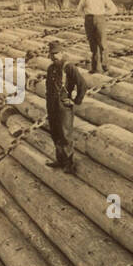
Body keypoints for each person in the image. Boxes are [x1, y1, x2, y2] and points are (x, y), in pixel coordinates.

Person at [44, 40, 87, 172]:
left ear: (62, 53)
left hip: (63, 105)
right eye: (52, 54)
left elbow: (82, 85)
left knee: (65, 134)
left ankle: (69, 163)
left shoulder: (69, 67)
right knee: (55, 133)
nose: (54, 56)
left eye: (56, 53)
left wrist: (75, 101)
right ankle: (60, 160)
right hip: (52, 105)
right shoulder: (51, 68)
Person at [76, 0, 118, 74]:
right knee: (93, 45)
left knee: (102, 43)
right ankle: (95, 68)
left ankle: (105, 66)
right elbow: (78, 10)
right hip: (88, 20)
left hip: (100, 19)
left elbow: (114, 9)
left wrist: (103, 14)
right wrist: (86, 16)